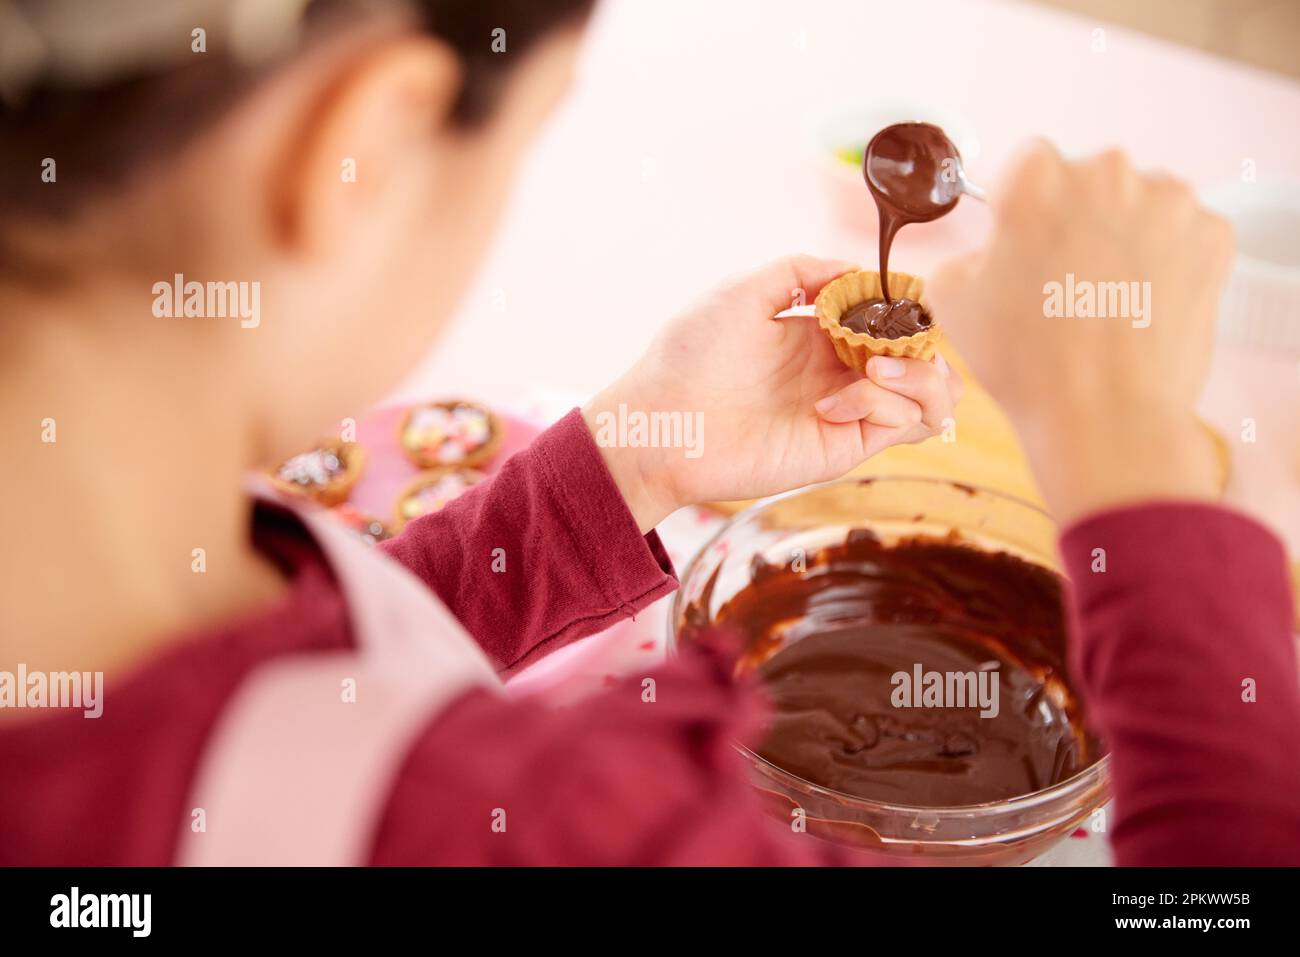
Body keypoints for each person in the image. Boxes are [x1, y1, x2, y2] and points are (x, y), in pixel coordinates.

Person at [0, 0, 1295, 865]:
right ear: (363, 142)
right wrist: (1129, 451)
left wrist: (624, 463)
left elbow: (259, 711)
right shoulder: (577, 829)